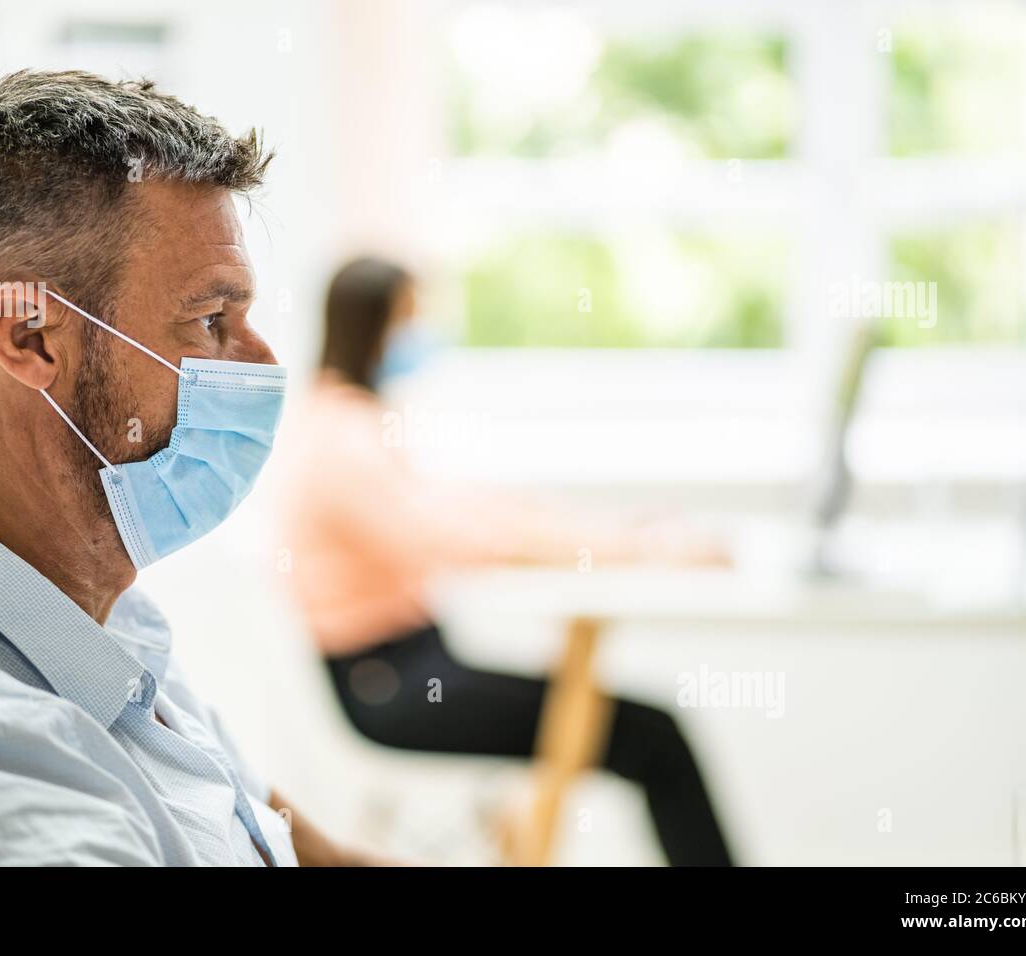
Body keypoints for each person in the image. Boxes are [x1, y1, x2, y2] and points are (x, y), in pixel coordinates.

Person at [0, 70, 371, 867]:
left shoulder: (92, 617)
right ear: (30, 338)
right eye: (210, 320)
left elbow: (298, 849)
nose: (264, 363)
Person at [281, 257, 734, 866]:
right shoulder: (344, 439)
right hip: (391, 686)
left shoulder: (355, 423)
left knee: (639, 730)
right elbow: (453, 539)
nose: (421, 337)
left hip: (412, 666)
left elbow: (469, 514)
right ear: (375, 325)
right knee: (649, 735)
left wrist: (608, 534)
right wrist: (640, 550)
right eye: (412, 320)